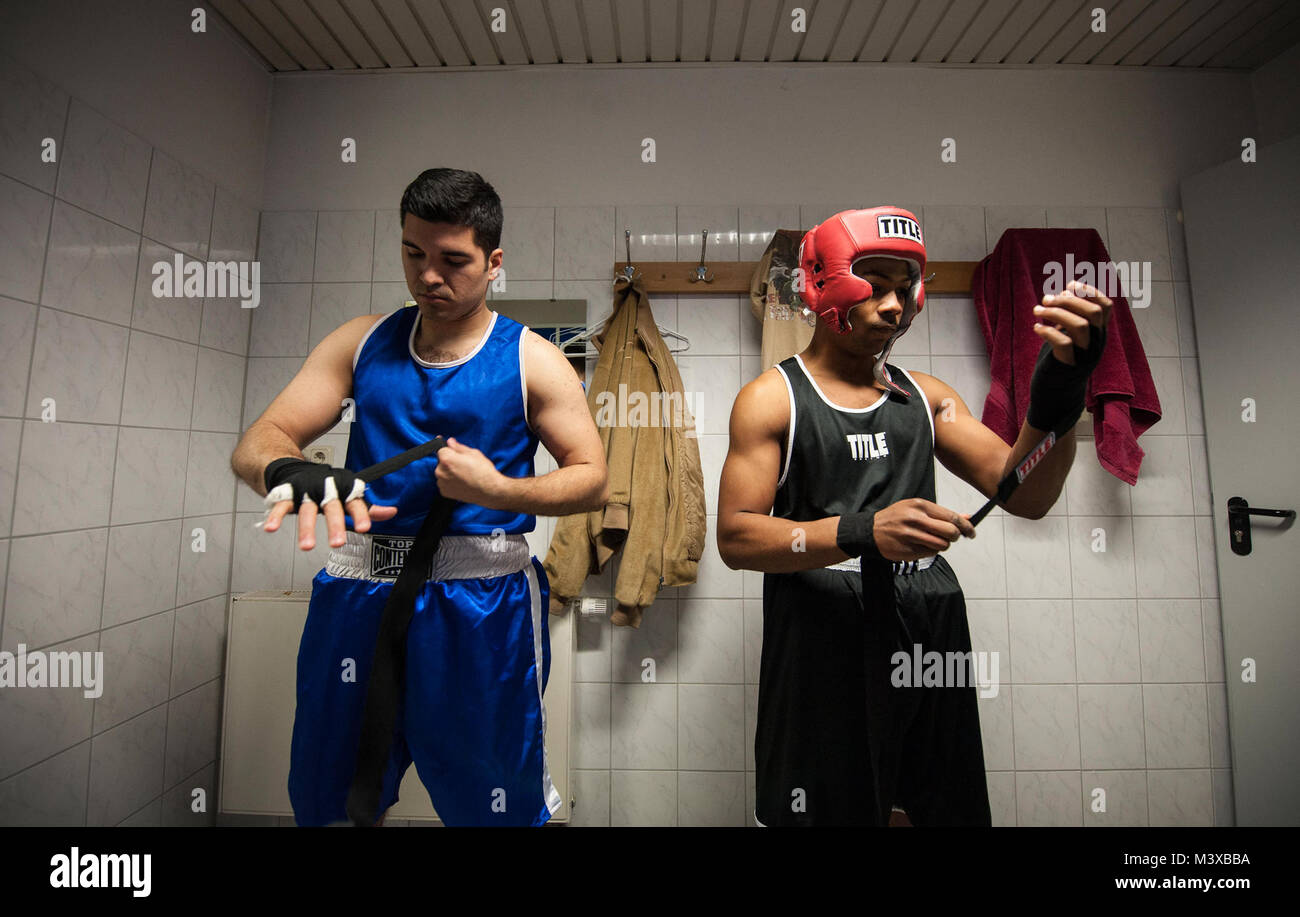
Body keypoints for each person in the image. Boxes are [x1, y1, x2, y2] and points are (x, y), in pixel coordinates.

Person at [230, 168, 608, 826]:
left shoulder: (533, 358)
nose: (429, 276)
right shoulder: (362, 341)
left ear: (493, 263)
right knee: (331, 796)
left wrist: (498, 487)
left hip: (480, 602)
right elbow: (258, 440)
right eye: (413, 253)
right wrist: (289, 470)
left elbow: (591, 474)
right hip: (360, 589)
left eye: (452, 260)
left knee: (495, 803)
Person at [716, 206, 1110, 826]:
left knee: (929, 807)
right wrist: (862, 532)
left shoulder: (927, 398)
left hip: (930, 617)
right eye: (875, 283)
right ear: (826, 283)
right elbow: (736, 538)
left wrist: (1062, 387)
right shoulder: (771, 398)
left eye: (905, 288)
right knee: (824, 809)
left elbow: (1027, 495)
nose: (895, 306)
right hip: (824, 624)